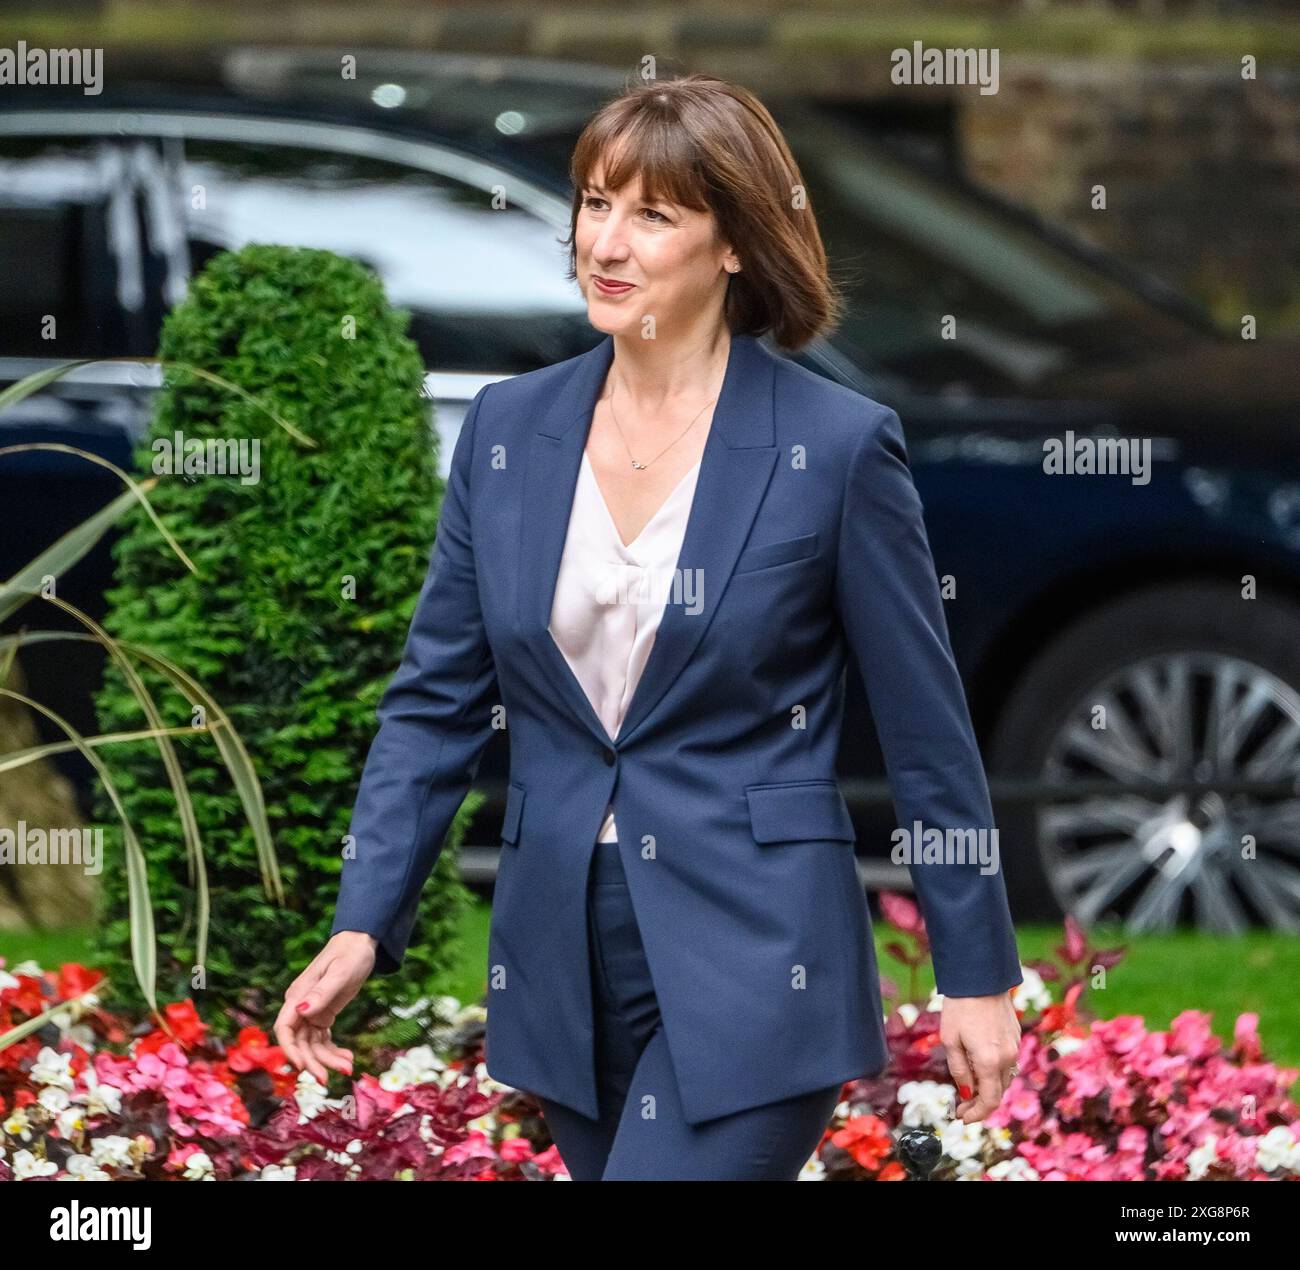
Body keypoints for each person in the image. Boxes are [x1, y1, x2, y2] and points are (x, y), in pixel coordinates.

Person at [276, 73, 1023, 1181]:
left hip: (762, 951)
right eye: (593, 203)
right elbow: (434, 704)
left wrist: (974, 970)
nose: (605, 243)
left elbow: (926, 730)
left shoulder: (837, 445)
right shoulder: (506, 430)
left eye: (653, 214)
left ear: (734, 245)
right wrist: (363, 923)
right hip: (559, 953)